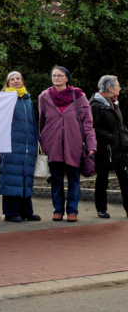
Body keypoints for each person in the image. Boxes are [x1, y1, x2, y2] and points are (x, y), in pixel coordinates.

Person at [38, 66, 96, 222]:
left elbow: (88, 123)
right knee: (56, 178)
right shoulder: (44, 96)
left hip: (74, 144)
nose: (56, 78)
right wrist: (42, 143)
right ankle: (57, 210)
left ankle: (72, 211)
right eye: (54, 75)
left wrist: (91, 145)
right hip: (52, 145)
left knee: (73, 178)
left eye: (60, 75)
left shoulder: (79, 96)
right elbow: (41, 122)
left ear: (67, 78)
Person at [0, 72, 41, 222]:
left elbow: (33, 122)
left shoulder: (28, 99)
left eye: (18, 78)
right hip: (11, 143)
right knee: (11, 177)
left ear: (22, 81)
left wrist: (37, 139)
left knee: (25, 177)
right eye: (12, 79)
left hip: (28, 145)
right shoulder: (4, 99)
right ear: (7, 83)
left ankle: (26, 211)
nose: (16, 81)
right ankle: (11, 212)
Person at [90, 75, 128, 219]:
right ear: (110, 88)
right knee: (102, 179)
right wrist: (109, 136)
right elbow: (91, 127)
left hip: (119, 149)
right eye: (117, 86)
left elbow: (119, 125)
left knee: (125, 180)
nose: (119, 88)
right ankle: (101, 209)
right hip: (105, 150)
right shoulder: (95, 105)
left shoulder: (114, 103)